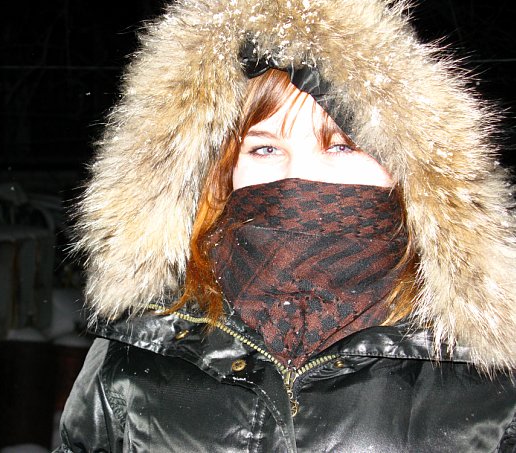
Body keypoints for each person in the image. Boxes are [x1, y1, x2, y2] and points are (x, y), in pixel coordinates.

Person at [55, 0, 516, 451]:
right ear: (222, 173)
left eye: (340, 146)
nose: (299, 176)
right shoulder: (143, 341)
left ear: (407, 170)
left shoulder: (482, 366)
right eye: (265, 149)